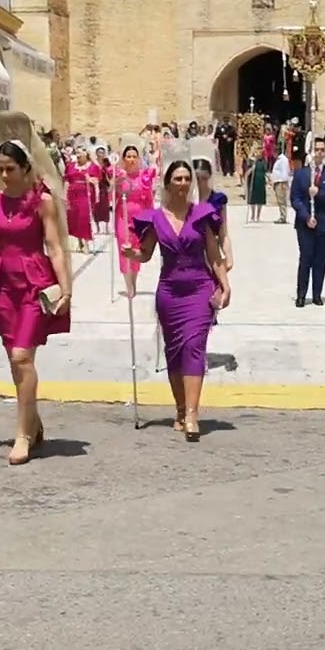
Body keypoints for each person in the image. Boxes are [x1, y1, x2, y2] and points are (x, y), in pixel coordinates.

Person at [0, 139, 71, 466]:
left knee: (22, 357)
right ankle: (32, 422)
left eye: (11, 169)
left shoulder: (41, 202)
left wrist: (66, 289)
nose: (4, 175)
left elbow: (55, 247)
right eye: (0, 169)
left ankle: (23, 436)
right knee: (14, 359)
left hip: (33, 282)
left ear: (25, 169)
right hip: (2, 283)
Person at [123, 158, 231, 441]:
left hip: (199, 289)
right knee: (174, 351)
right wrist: (130, 254)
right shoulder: (155, 218)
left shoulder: (203, 214)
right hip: (169, 292)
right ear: (168, 183)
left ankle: (193, 414)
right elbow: (145, 254)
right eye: (178, 178)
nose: (183, 183)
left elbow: (214, 253)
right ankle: (181, 409)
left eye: (187, 179)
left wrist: (225, 285)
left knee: (194, 347)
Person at [290, 139, 325, 307]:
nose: (318, 153)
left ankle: (317, 294)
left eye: (321, 150)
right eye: (316, 150)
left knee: (320, 261)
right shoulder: (301, 174)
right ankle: (301, 295)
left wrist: (319, 193)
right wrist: (305, 216)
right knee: (306, 259)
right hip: (305, 224)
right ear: (311, 152)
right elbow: (295, 199)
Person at [114, 142, 157, 298]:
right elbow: (111, 194)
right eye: (128, 156)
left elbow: (149, 198)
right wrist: (115, 183)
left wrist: (152, 218)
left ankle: (134, 281)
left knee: (137, 249)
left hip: (139, 218)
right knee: (124, 248)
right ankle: (128, 285)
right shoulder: (119, 175)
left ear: (138, 158)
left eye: (134, 156)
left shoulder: (144, 176)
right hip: (122, 216)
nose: (131, 159)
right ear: (124, 158)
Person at [192, 155, 232, 271]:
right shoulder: (186, 201)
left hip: (213, 254)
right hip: (190, 255)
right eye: (197, 178)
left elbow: (223, 232)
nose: (200, 182)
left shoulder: (218, 200)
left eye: (204, 178)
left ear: (209, 177)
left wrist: (229, 256)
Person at [64, 148, 94, 253]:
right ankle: (79, 241)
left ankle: (86, 243)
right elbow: (67, 181)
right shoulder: (70, 166)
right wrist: (64, 196)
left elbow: (96, 180)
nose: (78, 154)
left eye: (80, 152)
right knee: (74, 218)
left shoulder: (91, 166)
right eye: (77, 152)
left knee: (83, 218)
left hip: (84, 194)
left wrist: (89, 179)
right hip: (72, 194)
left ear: (86, 154)